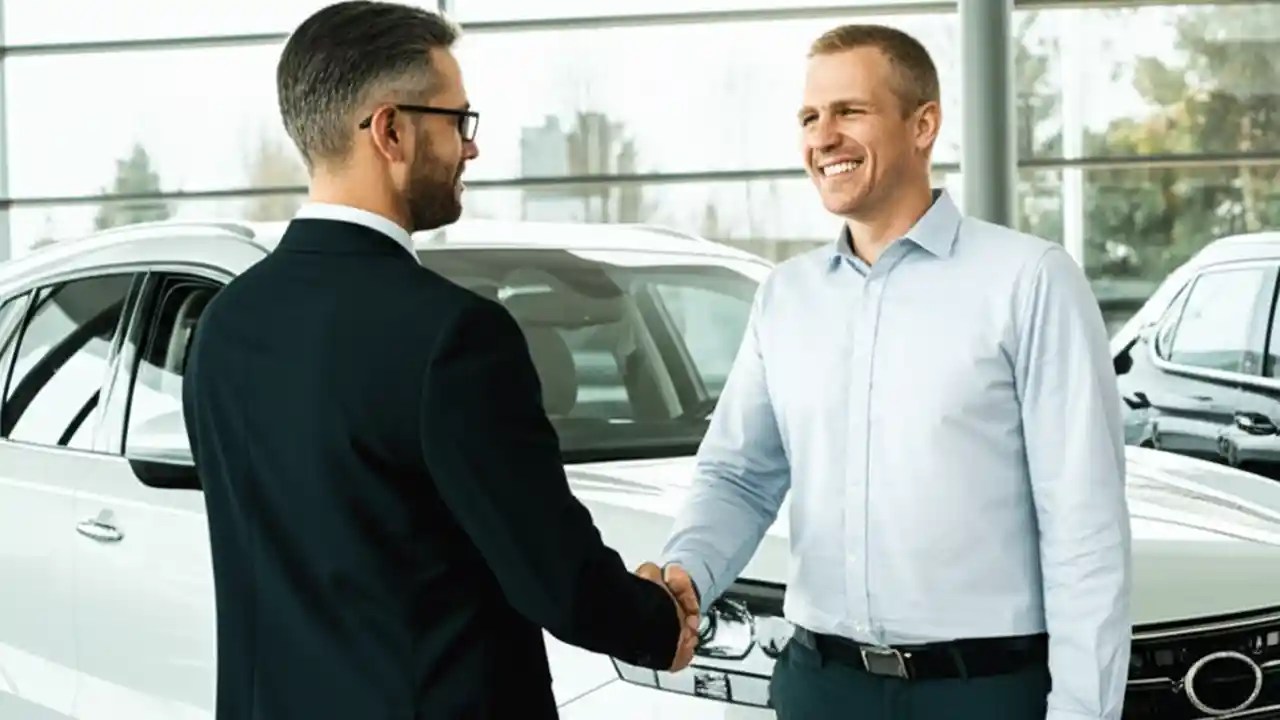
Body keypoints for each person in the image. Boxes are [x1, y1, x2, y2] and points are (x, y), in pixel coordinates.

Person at [181, 3, 698, 719]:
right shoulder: (453, 337)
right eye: (459, 120)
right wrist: (658, 624)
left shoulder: (224, 324)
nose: (471, 148)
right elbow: (556, 577)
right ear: (391, 131)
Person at [652, 23, 1132, 720]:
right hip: (821, 686)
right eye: (810, 117)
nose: (824, 137)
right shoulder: (785, 298)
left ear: (923, 124)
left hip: (981, 695)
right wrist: (685, 575)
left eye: (850, 111)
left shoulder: (1029, 280)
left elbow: (1084, 524)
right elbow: (739, 475)